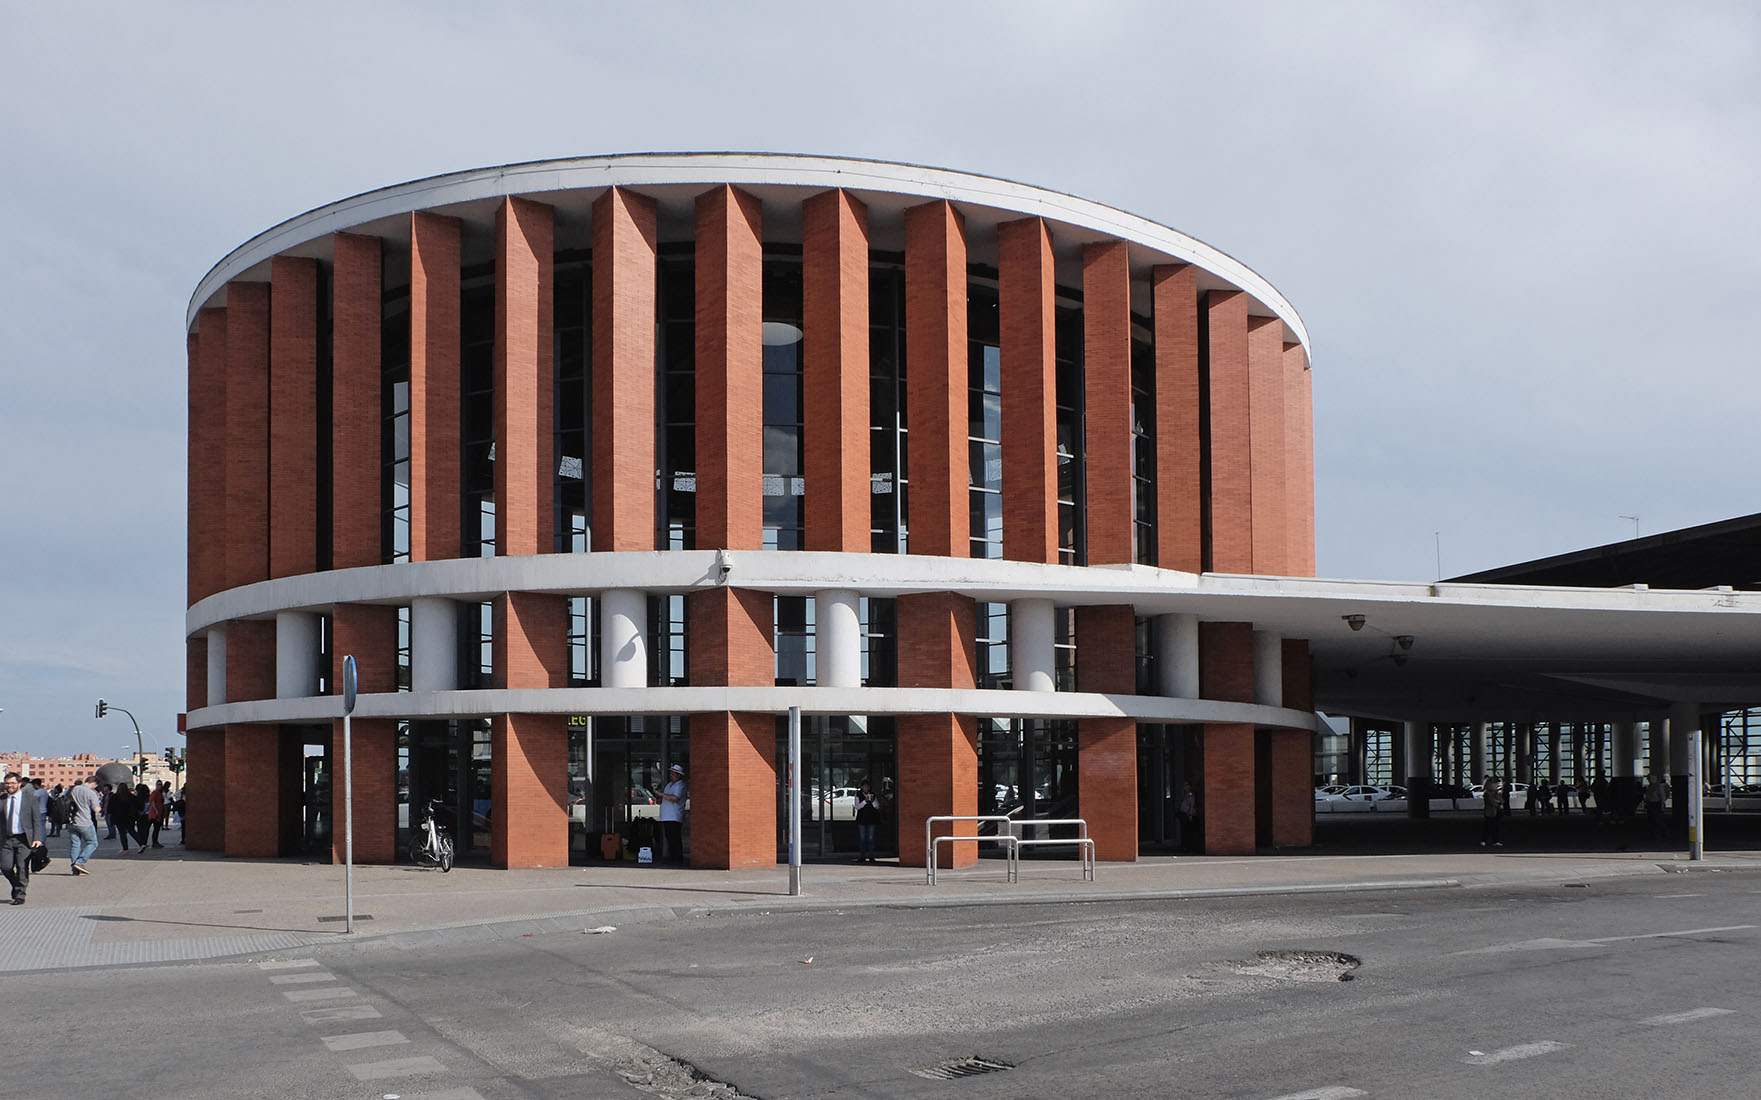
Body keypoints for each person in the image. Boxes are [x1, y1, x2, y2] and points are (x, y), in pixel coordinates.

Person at [0, 773, 43, 905]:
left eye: (13, 783)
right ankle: (16, 885)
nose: (10, 786)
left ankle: (20, 894)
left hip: (24, 839)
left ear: (19, 783)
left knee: (22, 867)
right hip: (6, 839)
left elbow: (37, 820)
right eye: (7, 783)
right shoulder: (2, 799)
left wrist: (37, 838)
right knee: (5, 867)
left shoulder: (30, 799)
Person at [66, 775, 102, 875]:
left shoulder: (74, 789)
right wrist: (101, 808)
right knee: (92, 843)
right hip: (85, 821)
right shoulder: (91, 792)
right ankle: (80, 862)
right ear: (93, 783)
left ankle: (75, 870)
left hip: (72, 821)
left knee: (75, 845)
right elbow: (96, 809)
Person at [658, 763, 687, 866]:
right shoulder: (669, 785)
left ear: (679, 775)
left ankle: (678, 858)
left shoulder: (680, 785)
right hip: (666, 816)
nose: (671, 776)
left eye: (673, 774)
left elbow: (674, 798)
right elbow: (665, 798)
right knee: (669, 838)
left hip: (674, 816)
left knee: (675, 838)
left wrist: (661, 794)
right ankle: (672, 857)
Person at [853, 781, 882, 863]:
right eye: (865, 786)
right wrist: (865, 801)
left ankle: (871, 856)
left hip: (871, 819)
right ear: (862, 787)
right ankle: (862, 856)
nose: (866, 788)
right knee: (862, 838)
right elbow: (857, 807)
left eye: (868, 787)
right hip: (861, 819)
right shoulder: (858, 794)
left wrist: (872, 801)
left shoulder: (873, 794)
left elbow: (877, 806)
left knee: (871, 838)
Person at [109, 783, 139, 853]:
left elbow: (110, 807)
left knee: (122, 833)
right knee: (132, 831)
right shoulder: (131, 796)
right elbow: (137, 805)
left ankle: (125, 848)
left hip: (119, 818)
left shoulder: (115, 797)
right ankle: (141, 843)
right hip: (129, 817)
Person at [1479, 773, 1504, 847]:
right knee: (1488, 827)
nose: (1496, 785)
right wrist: (1498, 803)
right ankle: (1484, 840)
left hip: (1496, 812)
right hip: (1490, 812)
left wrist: (1498, 802)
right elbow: (1491, 802)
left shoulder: (1496, 793)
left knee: (1496, 827)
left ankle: (1495, 840)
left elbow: (1502, 800)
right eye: (1495, 784)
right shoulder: (1487, 793)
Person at [1644, 772, 1670, 841]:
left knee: (1658, 820)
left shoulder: (1658, 786)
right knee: (1651, 820)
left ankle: (1664, 833)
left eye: (1650, 778)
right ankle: (1653, 834)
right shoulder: (1649, 786)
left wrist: (1662, 804)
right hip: (1650, 804)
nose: (1649, 780)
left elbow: (1662, 796)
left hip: (1656, 804)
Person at [1177, 781, 1198, 851]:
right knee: (1184, 831)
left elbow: (1192, 805)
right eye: (1184, 785)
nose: (1185, 787)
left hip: (1187, 815)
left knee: (1187, 831)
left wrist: (1190, 815)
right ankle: (1185, 846)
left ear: (1189, 786)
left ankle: (1188, 847)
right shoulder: (1185, 794)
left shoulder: (1190, 795)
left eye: (1186, 785)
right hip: (1183, 814)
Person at [147, 782, 167, 848]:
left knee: (157, 828)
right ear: (156, 785)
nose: (160, 786)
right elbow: (152, 802)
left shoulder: (160, 793)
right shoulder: (154, 793)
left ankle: (155, 842)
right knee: (154, 828)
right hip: (154, 814)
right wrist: (156, 811)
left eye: (161, 784)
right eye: (158, 784)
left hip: (159, 812)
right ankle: (153, 842)